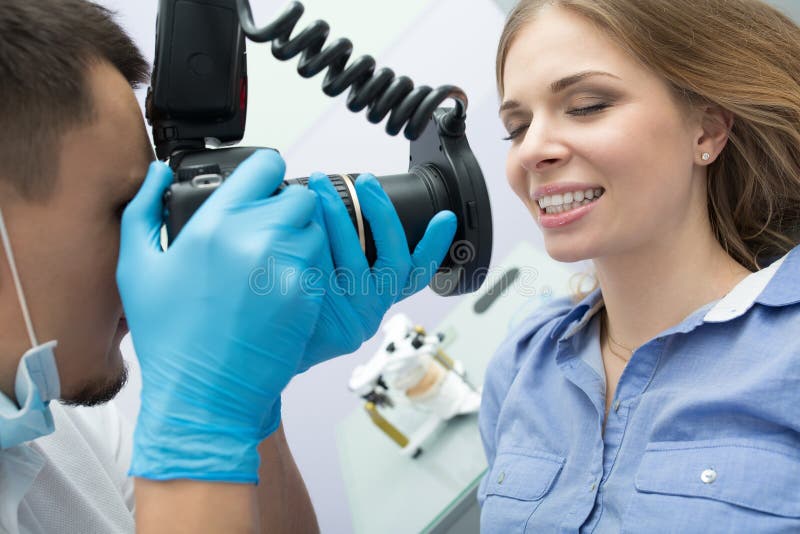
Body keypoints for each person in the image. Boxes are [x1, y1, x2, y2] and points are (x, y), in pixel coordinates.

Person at [0, 1, 457, 533]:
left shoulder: (58, 424)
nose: (162, 249)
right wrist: (202, 420)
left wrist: (249, 411)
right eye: (125, 211)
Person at [478, 0, 800, 532]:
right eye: (516, 126)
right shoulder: (517, 370)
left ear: (707, 131)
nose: (531, 150)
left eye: (585, 105)